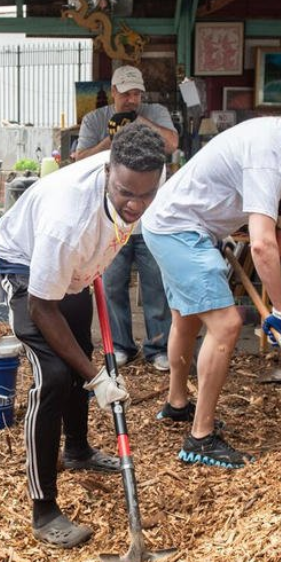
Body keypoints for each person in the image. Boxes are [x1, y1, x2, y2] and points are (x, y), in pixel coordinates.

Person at [142, 81, 281, 469]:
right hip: (179, 230)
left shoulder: (270, 139)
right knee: (225, 324)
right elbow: (262, 245)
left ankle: (177, 404)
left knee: (186, 318)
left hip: (175, 225)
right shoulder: (268, 154)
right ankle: (200, 439)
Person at [0, 122, 168, 548]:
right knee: (55, 375)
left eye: (146, 194)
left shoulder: (139, 186)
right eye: (126, 192)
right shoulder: (66, 220)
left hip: (73, 270)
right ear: (108, 170)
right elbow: (40, 307)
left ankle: (79, 450)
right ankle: (43, 507)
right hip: (26, 264)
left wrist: (87, 368)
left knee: (78, 351)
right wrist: (96, 377)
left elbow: (121, 219)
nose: (135, 204)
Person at [74, 65, 178, 373]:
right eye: (126, 93)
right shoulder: (95, 119)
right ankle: (120, 345)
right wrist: (110, 138)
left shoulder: (154, 112)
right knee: (111, 285)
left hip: (152, 217)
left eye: (137, 93)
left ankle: (158, 347)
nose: (132, 99)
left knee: (155, 285)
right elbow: (78, 160)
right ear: (114, 91)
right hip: (111, 217)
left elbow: (171, 143)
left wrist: (138, 120)